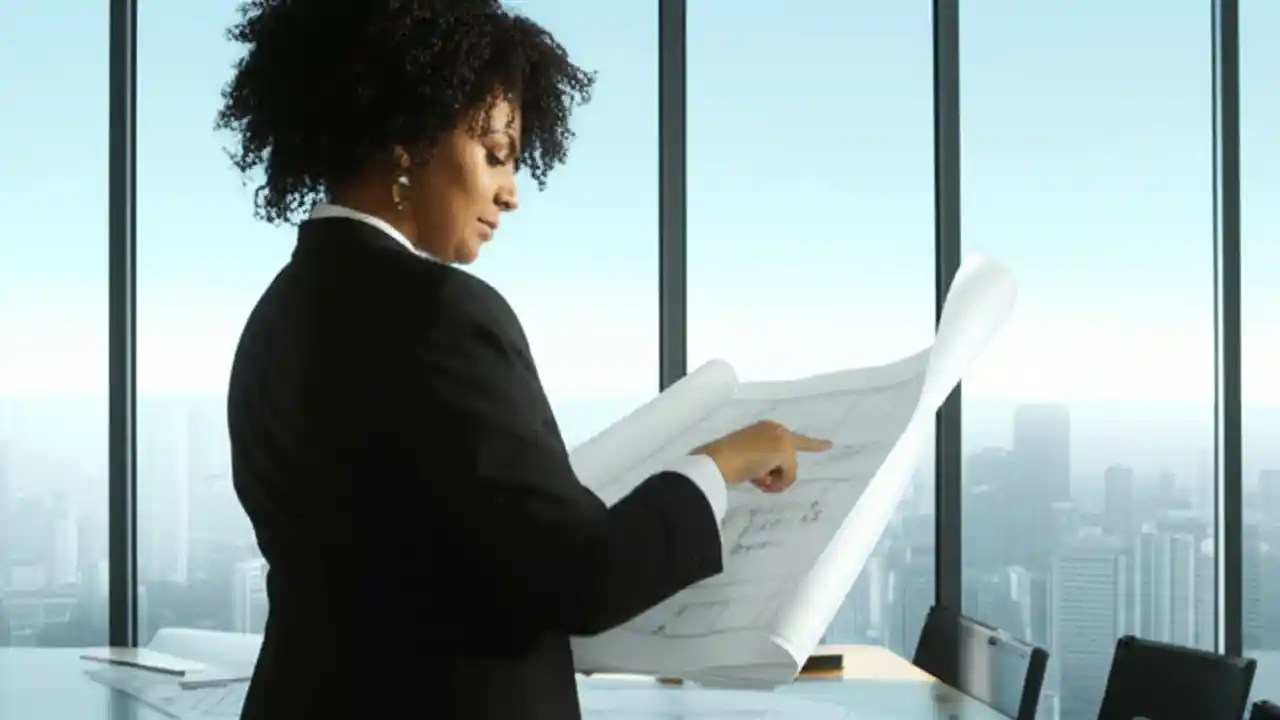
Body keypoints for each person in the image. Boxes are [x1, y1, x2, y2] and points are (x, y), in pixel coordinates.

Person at [218, 2, 832, 718]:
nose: (510, 192)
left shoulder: (273, 319)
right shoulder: (445, 315)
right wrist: (724, 461)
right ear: (409, 140)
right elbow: (582, 579)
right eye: (495, 154)